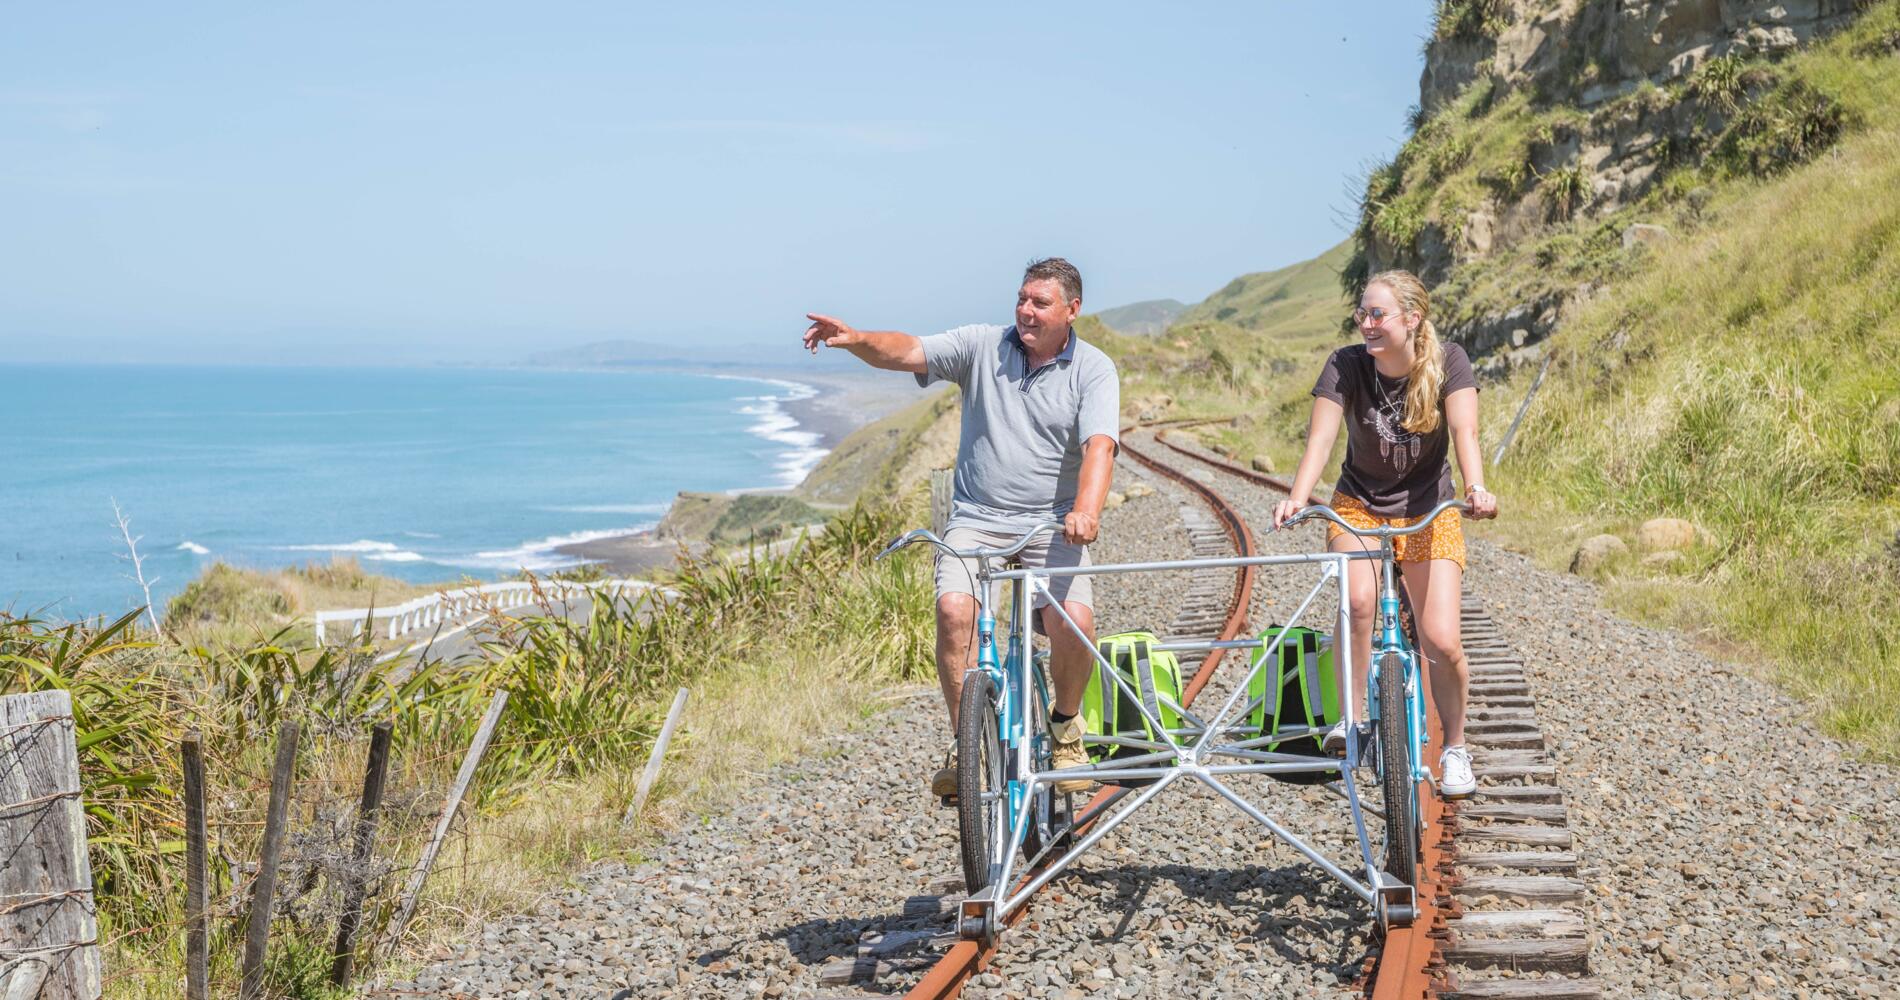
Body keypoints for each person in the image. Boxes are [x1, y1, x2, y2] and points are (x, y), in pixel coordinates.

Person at [802, 258, 1120, 797]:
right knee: (954, 611)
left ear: (1072, 309)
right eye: (1022, 298)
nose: (1025, 309)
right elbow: (907, 350)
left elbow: (1100, 447)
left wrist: (1086, 511)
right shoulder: (982, 345)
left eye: (1040, 302)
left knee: (1076, 622)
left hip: (1053, 525)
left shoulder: (1093, 369)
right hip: (976, 518)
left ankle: (1066, 728)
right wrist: (856, 339)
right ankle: (966, 744)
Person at [1270, 269, 1497, 798]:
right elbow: (1321, 439)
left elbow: (1465, 431)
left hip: (1429, 507)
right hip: (1360, 506)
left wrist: (1477, 488)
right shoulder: (1346, 365)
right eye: (1361, 314)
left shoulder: (1449, 362)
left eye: (1377, 315)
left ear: (1411, 320)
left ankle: (1456, 747)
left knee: (1441, 639)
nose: (1365, 324)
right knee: (1358, 602)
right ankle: (1350, 722)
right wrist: (1299, 497)